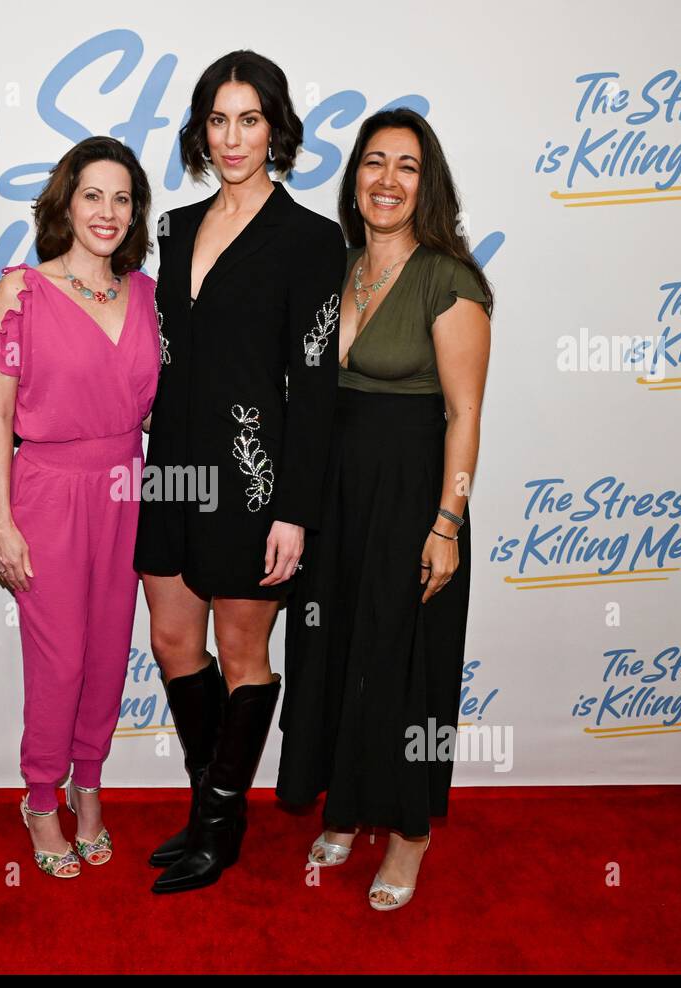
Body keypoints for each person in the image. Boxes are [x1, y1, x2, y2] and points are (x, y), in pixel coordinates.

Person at [134, 51, 346, 894]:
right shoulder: (175, 228)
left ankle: (219, 825)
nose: (231, 138)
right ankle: (207, 804)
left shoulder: (310, 239)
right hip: (174, 468)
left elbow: (317, 384)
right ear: (200, 129)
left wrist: (293, 508)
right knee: (172, 640)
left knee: (243, 651)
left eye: (248, 120)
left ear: (275, 129)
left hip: (255, 483)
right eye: (217, 120)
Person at [276, 108, 492, 911]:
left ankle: (408, 835)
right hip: (334, 492)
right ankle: (346, 804)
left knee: (407, 670)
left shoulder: (448, 278)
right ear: (354, 179)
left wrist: (448, 524)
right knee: (334, 657)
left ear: (425, 184)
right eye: (374, 163)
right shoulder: (333, 269)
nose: (388, 180)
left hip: (411, 496)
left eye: (406, 166)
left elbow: (465, 414)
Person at [0, 136, 159, 879]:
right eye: (93, 195)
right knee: (59, 662)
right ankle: (41, 799)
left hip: (126, 488)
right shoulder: (20, 290)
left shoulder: (144, 293)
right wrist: (2, 521)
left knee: (110, 654)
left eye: (122, 198)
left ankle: (90, 788)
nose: (107, 212)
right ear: (66, 202)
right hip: (47, 491)